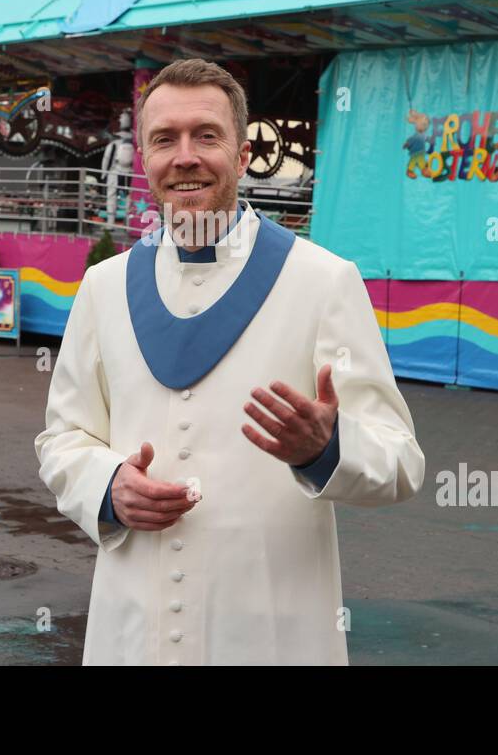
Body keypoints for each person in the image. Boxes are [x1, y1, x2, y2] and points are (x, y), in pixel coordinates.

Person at [34, 58, 426, 665]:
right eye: (165, 139)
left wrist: (327, 448)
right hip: (131, 635)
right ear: (145, 160)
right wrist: (106, 486)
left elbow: (401, 461)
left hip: (273, 638)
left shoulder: (322, 282)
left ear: (243, 155)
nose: (184, 156)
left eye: (206, 136)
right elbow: (63, 439)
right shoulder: (102, 287)